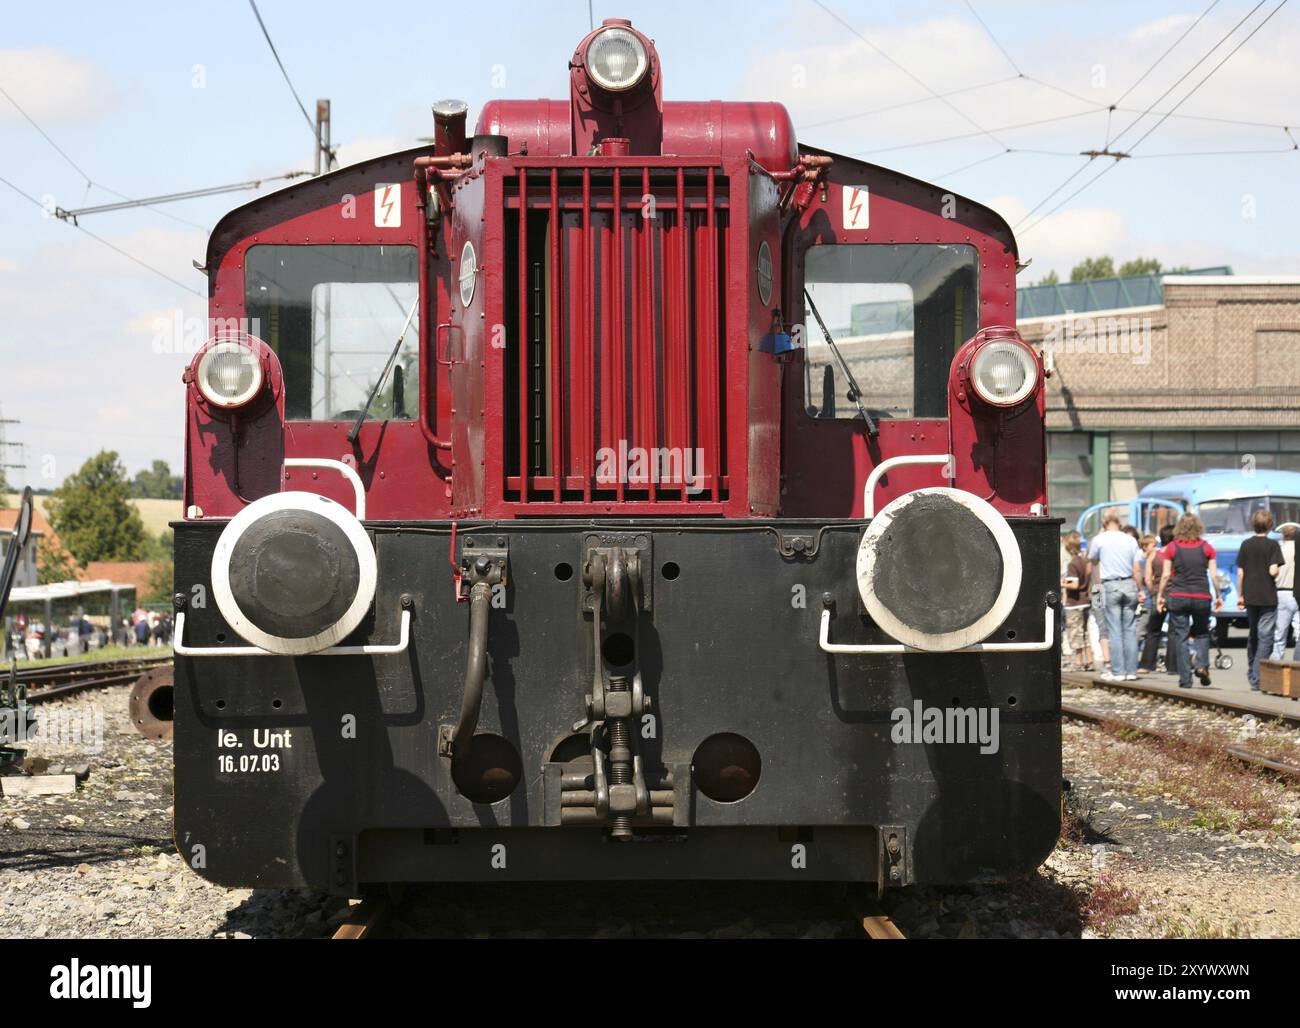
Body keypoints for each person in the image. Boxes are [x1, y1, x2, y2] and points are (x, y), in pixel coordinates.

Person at [1156, 513, 1223, 688]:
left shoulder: (1172, 547)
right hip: (1201, 596)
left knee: (1181, 636)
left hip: (1178, 596)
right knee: (1202, 632)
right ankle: (1201, 665)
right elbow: (1214, 575)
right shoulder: (1206, 547)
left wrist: (1160, 596)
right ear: (1198, 528)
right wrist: (1219, 595)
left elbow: (1165, 575)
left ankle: (1185, 679)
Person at [1089, 512, 1143, 681]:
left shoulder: (1100, 539)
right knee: (1130, 629)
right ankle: (1131, 671)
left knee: (1115, 630)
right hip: (1129, 585)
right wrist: (1139, 588)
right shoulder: (1130, 540)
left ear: (1104, 523)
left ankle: (1118, 671)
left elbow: (1092, 559)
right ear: (1119, 523)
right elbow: (1137, 569)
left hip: (1110, 585)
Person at [1237, 509, 1283, 691]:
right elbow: (1273, 571)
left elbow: (1240, 573)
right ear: (1270, 525)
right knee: (1266, 637)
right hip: (1267, 597)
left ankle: (1252, 671)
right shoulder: (1273, 545)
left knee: (1253, 634)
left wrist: (1241, 595)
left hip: (1250, 596)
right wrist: (1277, 570)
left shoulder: (1245, 544)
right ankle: (1257, 677)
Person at [1140, 525, 1176, 673]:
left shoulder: (1154, 555)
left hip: (1158, 595)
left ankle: (1147, 665)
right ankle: (1173, 666)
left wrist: (1153, 591)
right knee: (1174, 630)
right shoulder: (1176, 553)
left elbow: (1147, 578)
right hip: (1174, 593)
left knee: (1153, 630)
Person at [1061, 531, 1091, 671]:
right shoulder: (1084, 561)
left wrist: (1061, 583)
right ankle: (1089, 660)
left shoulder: (1072, 564)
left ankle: (1078, 663)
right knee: (1085, 633)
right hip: (1085, 600)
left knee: (1075, 633)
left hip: (1074, 603)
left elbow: (1074, 585)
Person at [1272, 524, 1299, 662]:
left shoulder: (1279, 550)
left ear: (1283, 536)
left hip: (1281, 593)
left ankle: (1277, 663)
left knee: (1279, 634)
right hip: (1297, 593)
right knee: (1299, 632)